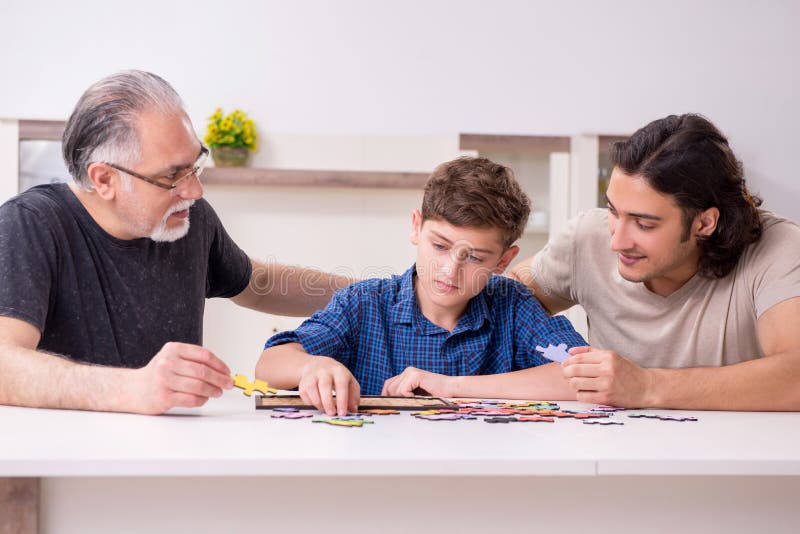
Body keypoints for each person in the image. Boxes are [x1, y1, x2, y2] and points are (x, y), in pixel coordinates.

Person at [0, 70, 351, 415]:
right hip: (65, 461)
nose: (194, 190)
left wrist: (372, 292)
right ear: (104, 179)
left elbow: (258, 284)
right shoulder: (30, 224)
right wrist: (134, 388)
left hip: (171, 458)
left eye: (195, 165)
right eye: (171, 175)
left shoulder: (189, 219)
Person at [510, 114, 800, 411]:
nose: (616, 242)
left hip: (740, 453)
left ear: (705, 222)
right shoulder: (586, 238)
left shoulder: (778, 247)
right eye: (613, 211)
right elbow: (502, 300)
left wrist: (647, 386)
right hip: (609, 451)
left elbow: (796, 377)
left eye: (644, 225)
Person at [256, 156, 587, 415]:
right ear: (416, 227)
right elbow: (269, 364)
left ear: (503, 261)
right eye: (440, 246)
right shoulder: (364, 304)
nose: (450, 270)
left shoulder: (513, 306)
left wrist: (449, 386)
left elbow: (581, 377)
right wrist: (312, 364)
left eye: (474, 257)